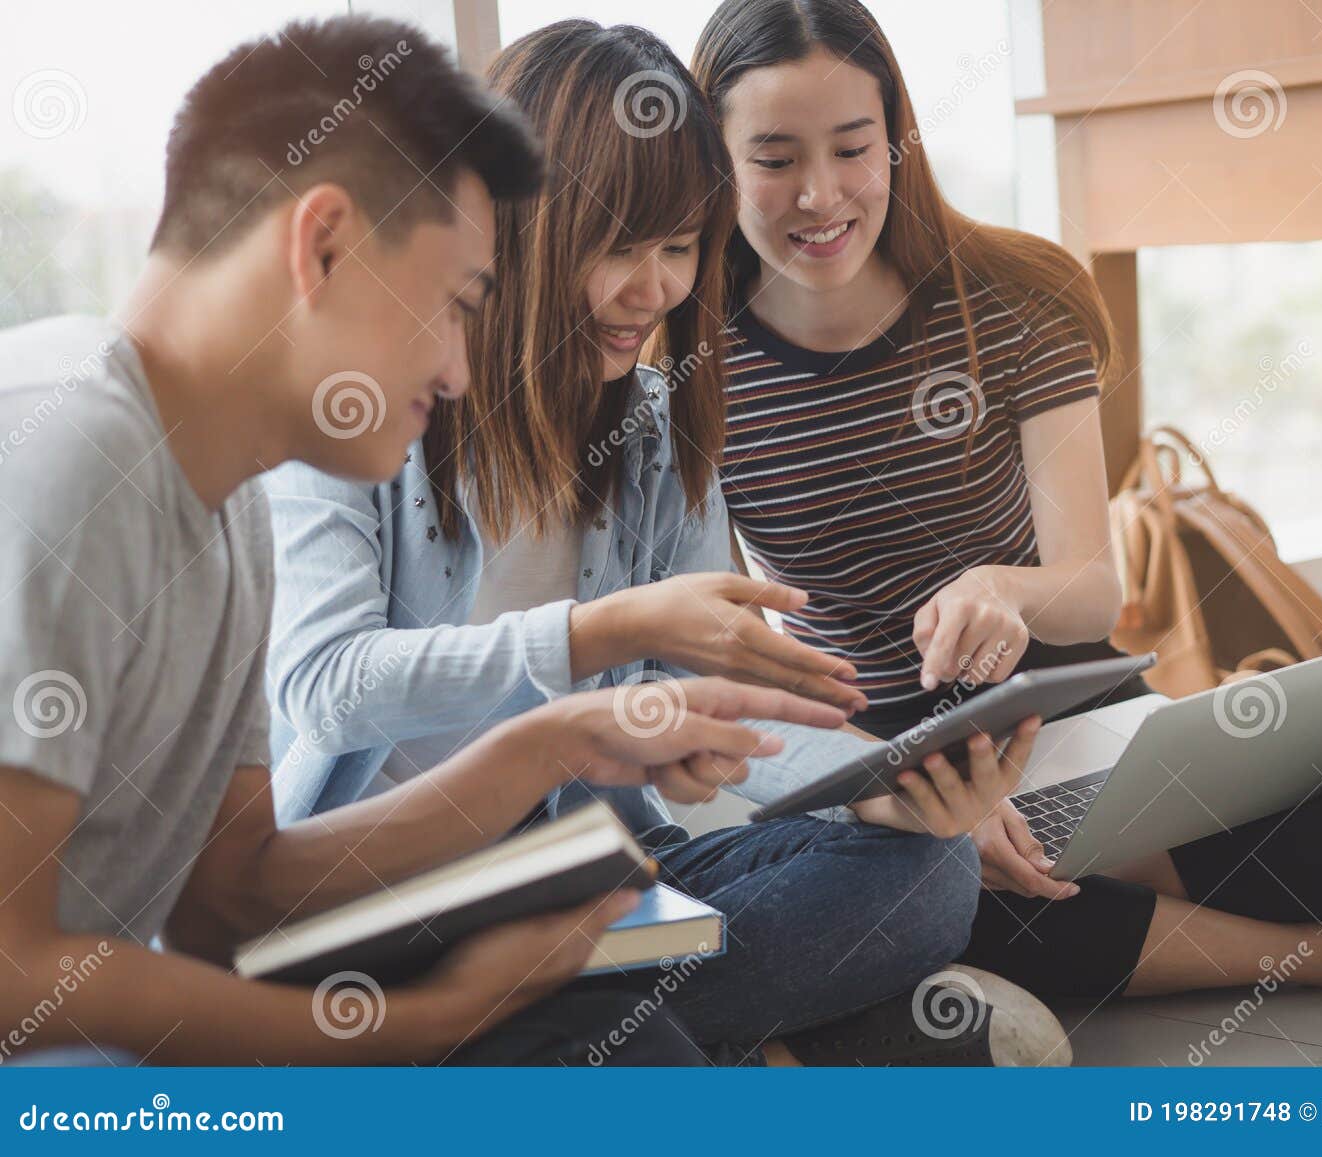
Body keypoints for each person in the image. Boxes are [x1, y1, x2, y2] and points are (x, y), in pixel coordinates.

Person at [691, 0, 1322, 1006]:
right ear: (714, 161)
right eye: (773, 158)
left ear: (897, 139)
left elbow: (1091, 592)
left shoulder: (1015, 298)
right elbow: (718, 650)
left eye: (852, 147)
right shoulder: (690, 370)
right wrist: (892, 796)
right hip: (884, 771)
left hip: (1075, 726)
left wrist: (999, 587)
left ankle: (1049, 905)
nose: (820, 194)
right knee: (899, 884)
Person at [0, 16, 845, 1068]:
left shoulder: (226, 511)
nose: (457, 369)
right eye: (454, 306)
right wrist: (421, 1020)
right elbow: (13, 971)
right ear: (323, 246)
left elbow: (230, 901)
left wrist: (548, 745)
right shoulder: (65, 442)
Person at [262, 20, 1066, 1067]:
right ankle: (735, 1040)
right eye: (617, 247)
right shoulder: (352, 406)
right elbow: (326, 685)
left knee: (926, 871)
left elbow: (730, 685)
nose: (654, 291)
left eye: (680, 247)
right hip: (390, 897)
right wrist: (599, 632)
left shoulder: (651, 423)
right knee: (594, 1019)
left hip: (599, 873)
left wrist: (886, 781)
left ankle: (618, 1043)